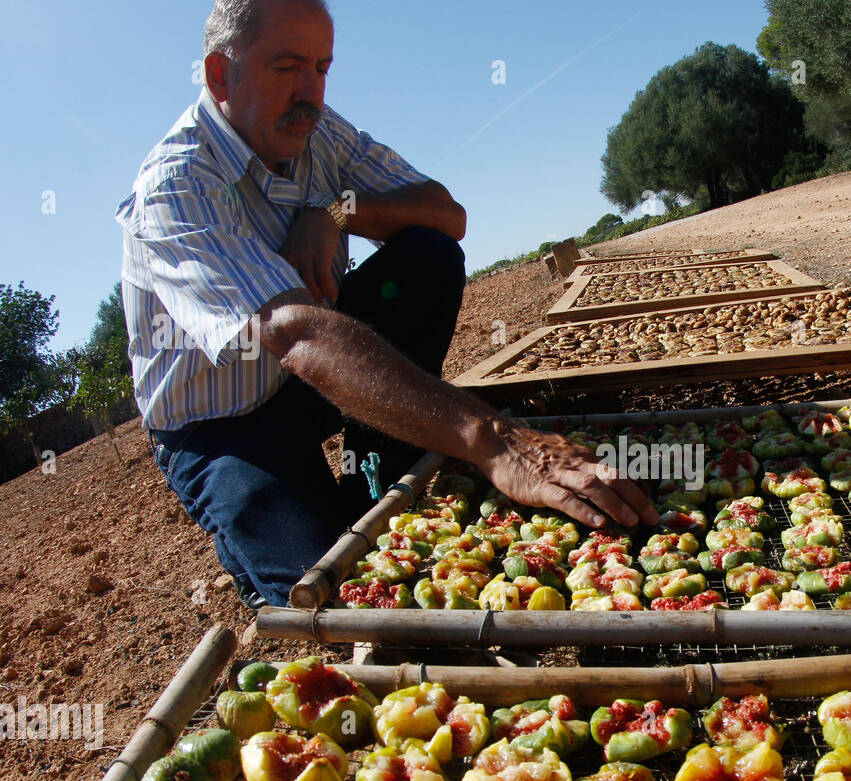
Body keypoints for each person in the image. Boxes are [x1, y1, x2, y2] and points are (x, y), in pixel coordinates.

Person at [115, 0, 655, 609]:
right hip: (224, 427)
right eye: (287, 67)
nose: (310, 93)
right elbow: (294, 332)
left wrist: (339, 210)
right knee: (337, 593)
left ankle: (384, 458)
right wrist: (495, 440)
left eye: (322, 68)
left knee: (426, 254)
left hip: (316, 383)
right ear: (219, 75)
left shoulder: (317, 131)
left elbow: (448, 215)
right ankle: (292, 509)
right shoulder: (176, 183)